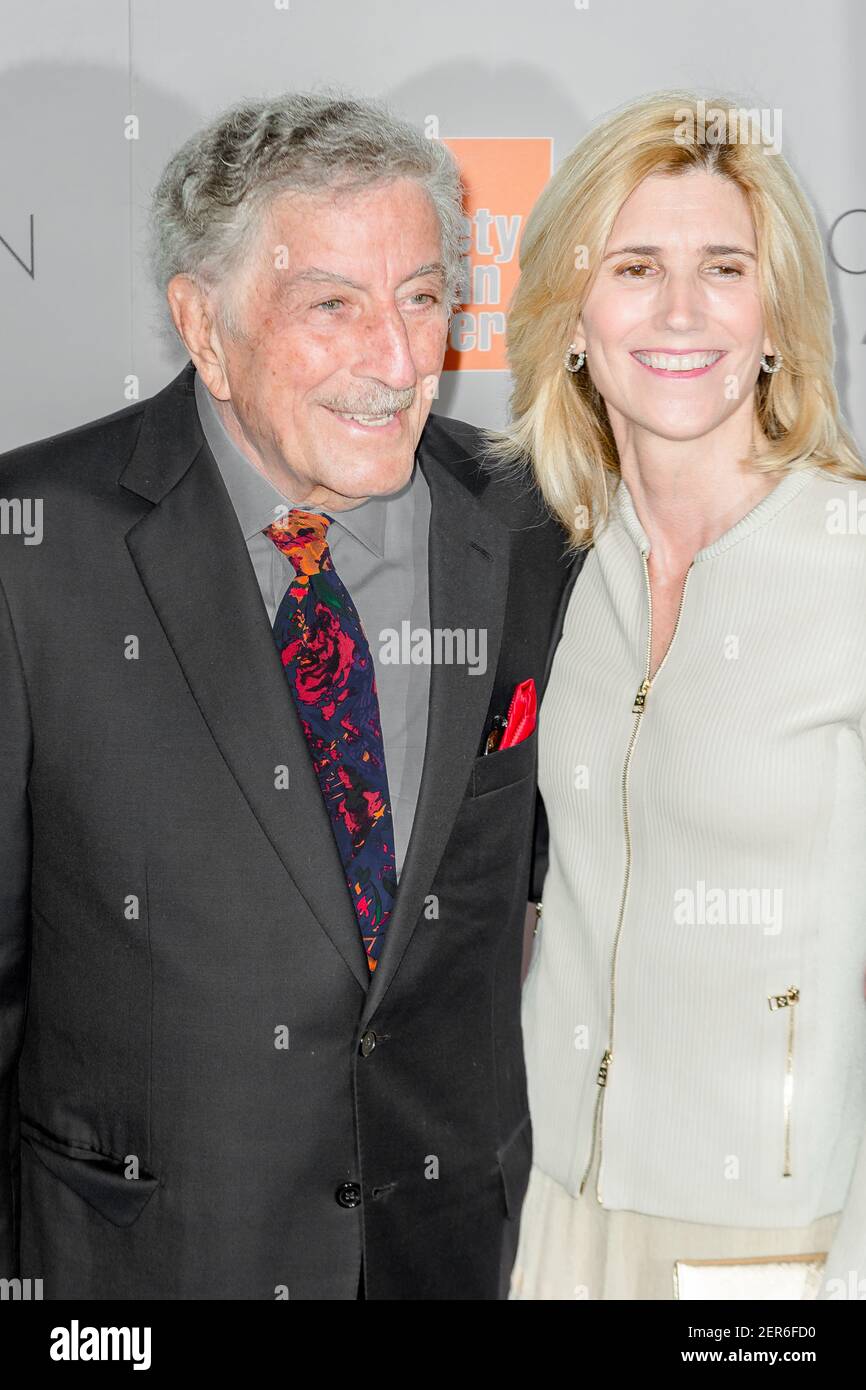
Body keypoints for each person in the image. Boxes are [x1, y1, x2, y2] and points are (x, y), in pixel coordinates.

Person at [0, 92, 575, 1300]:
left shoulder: (529, 525)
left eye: (423, 297)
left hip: (449, 1251)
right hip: (146, 1268)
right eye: (332, 306)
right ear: (202, 327)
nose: (399, 360)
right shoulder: (34, 551)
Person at [485, 89, 866, 1300]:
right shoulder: (558, 567)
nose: (681, 310)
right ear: (573, 318)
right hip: (554, 1214)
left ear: (775, 318)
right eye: (635, 265)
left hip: (771, 1245)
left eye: (723, 267)